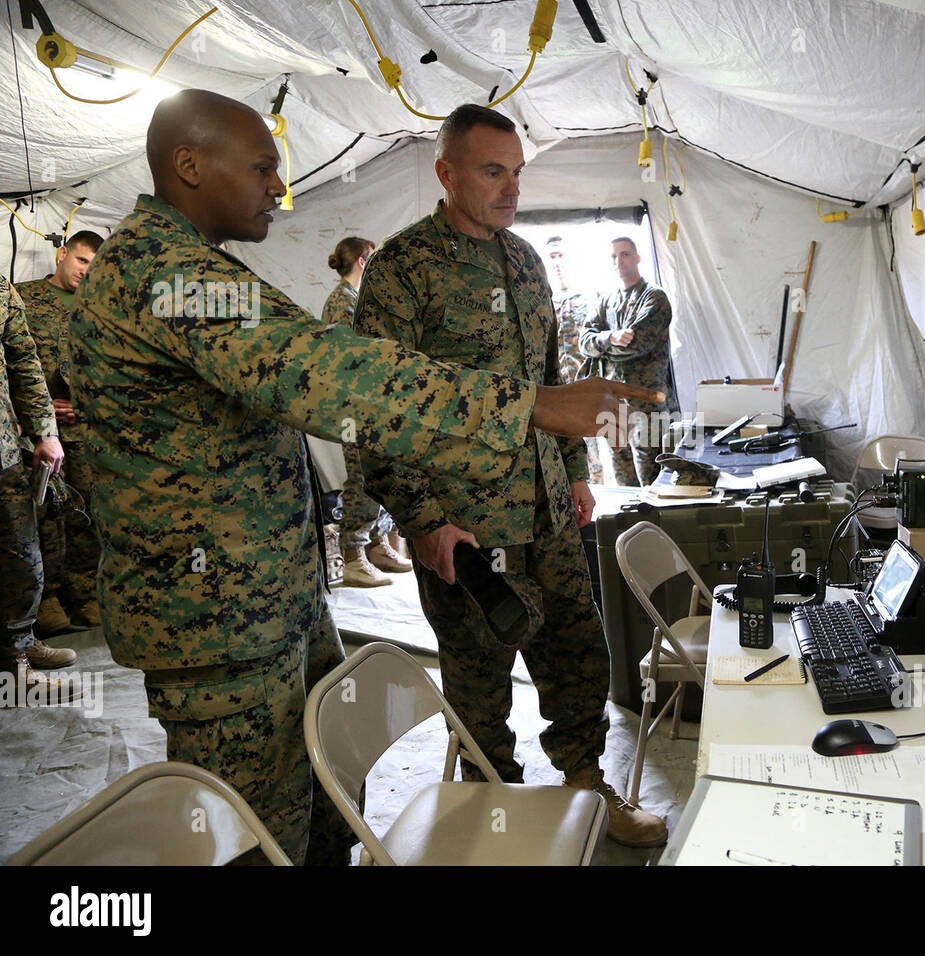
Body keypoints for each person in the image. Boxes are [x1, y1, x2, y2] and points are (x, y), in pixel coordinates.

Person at [67, 89, 659, 864]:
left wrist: (561, 448)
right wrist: (527, 411)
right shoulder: (164, 276)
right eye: (262, 168)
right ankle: (493, 821)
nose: (278, 188)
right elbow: (336, 377)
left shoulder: (194, 268)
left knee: (318, 810)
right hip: (217, 616)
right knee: (259, 835)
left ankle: (577, 787)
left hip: (267, 599)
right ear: (189, 164)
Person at [352, 103, 669, 847]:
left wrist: (576, 471)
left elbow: (553, 383)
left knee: (577, 657)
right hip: (464, 526)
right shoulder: (403, 269)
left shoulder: (525, 262)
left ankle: (588, 788)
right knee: (478, 687)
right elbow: (377, 411)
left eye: (517, 173)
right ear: (447, 172)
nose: (510, 188)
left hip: (549, 514)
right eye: (493, 171)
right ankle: (492, 816)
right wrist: (423, 519)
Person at [16, 230, 104, 637]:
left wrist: (86, 404)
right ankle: (47, 598)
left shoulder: (103, 308)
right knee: (45, 515)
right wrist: (41, 411)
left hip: (87, 429)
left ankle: (85, 596)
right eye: (82, 261)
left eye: (93, 266)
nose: (85, 272)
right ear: (63, 254)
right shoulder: (23, 299)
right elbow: (14, 364)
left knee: (88, 513)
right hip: (36, 431)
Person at [320, 236, 411, 587]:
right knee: (362, 479)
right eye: (371, 258)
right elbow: (350, 357)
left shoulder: (358, 299)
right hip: (356, 406)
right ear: (362, 261)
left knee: (380, 474)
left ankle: (377, 544)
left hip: (373, 404)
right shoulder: (341, 302)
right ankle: (354, 554)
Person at [0, 275, 75, 698]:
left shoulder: (1, 290)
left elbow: (25, 363)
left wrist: (46, 432)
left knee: (23, 559)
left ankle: (20, 649)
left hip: (5, 451)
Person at [579, 237, 675, 486]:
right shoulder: (606, 300)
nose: (619, 260)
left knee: (654, 481)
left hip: (646, 405)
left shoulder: (654, 298)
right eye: (614, 256)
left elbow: (638, 344)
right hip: (612, 405)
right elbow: (583, 342)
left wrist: (601, 346)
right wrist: (611, 337)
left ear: (637, 257)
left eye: (625, 254)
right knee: (623, 483)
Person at [545, 235, 604, 484]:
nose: (557, 263)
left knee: (599, 457)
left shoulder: (593, 298)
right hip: (558, 397)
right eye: (552, 258)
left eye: (561, 256)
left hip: (588, 394)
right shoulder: (545, 302)